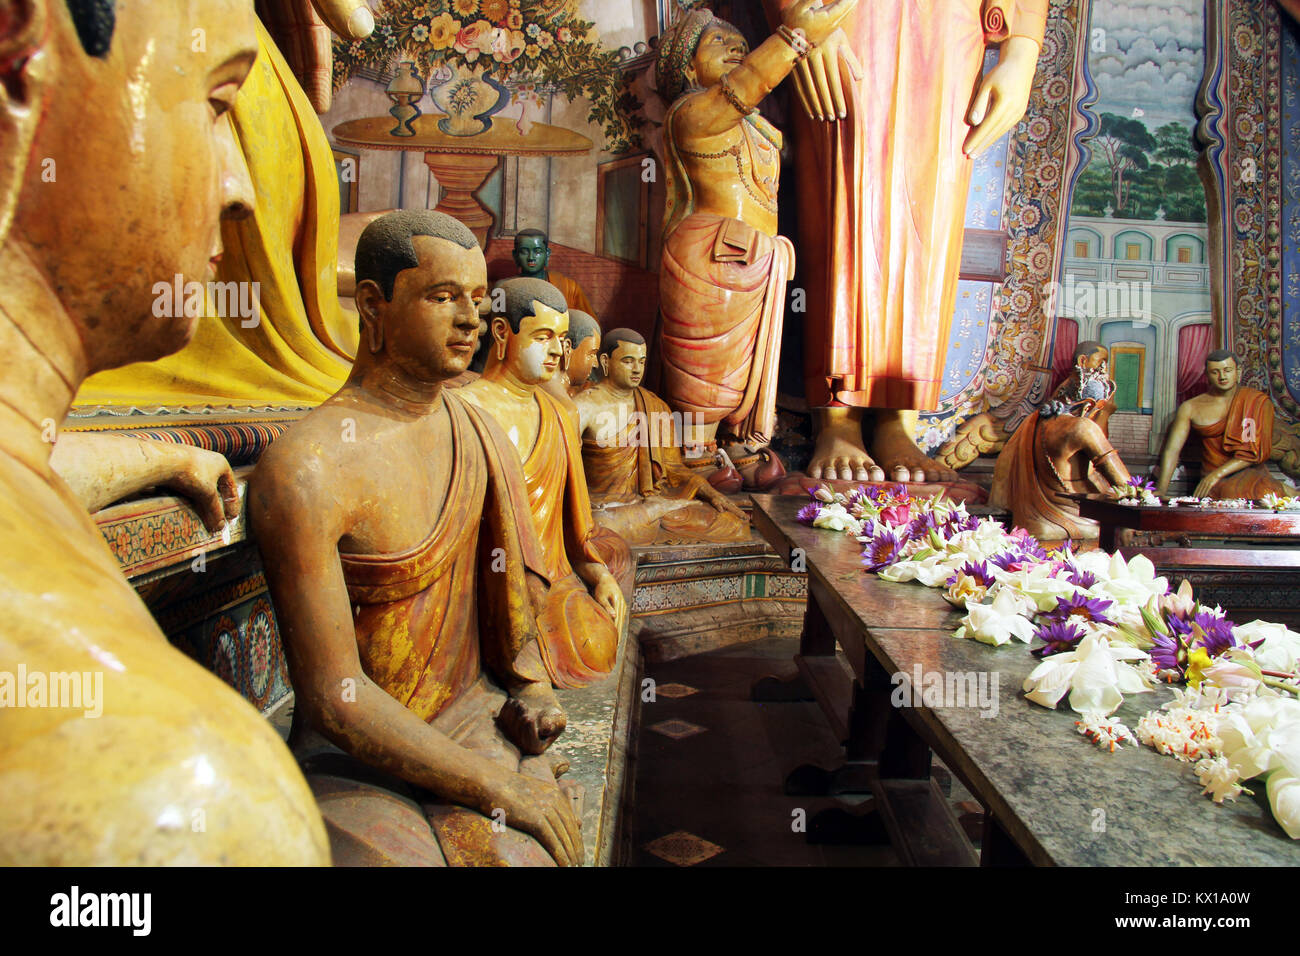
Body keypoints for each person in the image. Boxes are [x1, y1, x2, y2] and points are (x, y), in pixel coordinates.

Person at [0, 0, 328, 864]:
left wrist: (156, 453)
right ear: (17, 62)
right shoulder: (171, 799)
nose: (243, 190)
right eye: (218, 105)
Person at [249, 211, 584, 866]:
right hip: (358, 756)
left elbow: (510, 605)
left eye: (477, 302)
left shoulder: (478, 432)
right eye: (441, 297)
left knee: (528, 858)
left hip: (473, 720)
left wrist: (533, 688)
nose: (469, 322)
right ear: (374, 305)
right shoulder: (308, 466)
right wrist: (498, 787)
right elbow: (332, 700)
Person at [761, 0, 1048, 482]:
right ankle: (837, 416)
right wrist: (801, 15)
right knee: (844, 187)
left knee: (932, 195)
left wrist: (1022, 47)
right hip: (844, 11)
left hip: (950, 20)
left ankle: (901, 414)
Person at [654, 1, 854, 488]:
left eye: (740, 44)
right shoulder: (692, 114)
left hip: (758, 261)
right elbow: (743, 88)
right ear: (686, 66)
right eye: (719, 43)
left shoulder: (759, 128)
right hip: (709, 258)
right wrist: (794, 37)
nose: (736, 48)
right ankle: (695, 445)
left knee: (748, 364)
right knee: (706, 362)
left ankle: (739, 441)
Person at [460, 277, 628, 686]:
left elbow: (574, 527)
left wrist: (598, 574)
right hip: (483, 583)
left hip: (551, 577)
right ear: (502, 332)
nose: (557, 351)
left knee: (594, 643)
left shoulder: (558, 416)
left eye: (564, 339)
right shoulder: (465, 408)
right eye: (544, 336)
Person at [574, 328, 748, 545]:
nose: (637, 369)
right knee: (590, 530)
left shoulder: (655, 407)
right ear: (605, 361)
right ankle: (650, 514)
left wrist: (710, 493)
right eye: (628, 361)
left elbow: (674, 470)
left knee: (733, 524)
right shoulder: (584, 406)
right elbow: (565, 473)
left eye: (642, 361)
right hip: (604, 511)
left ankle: (653, 513)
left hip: (649, 504)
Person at [991, 341, 1128, 541]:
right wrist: (1106, 411)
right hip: (1071, 526)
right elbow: (1127, 486)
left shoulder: (1038, 421)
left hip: (1033, 527)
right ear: (1090, 404)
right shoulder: (1084, 428)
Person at [1156, 349, 1288, 500]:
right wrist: (1161, 489)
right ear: (1207, 375)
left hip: (1247, 473)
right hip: (1210, 477)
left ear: (1238, 371)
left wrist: (1215, 475)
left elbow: (1252, 453)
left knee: (1254, 493)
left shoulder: (1254, 402)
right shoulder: (1191, 407)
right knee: (1223, 494)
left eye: (1227, 370)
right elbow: (1172, 451)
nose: (1222, 377)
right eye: (1215, 372)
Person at [512, 228, 596, 320]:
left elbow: (590, 326)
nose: (531, 257)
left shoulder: (569, 287)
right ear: (515, 255)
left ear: (547, 254)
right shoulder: (504, 289)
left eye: (538, 251)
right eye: (524, 251)